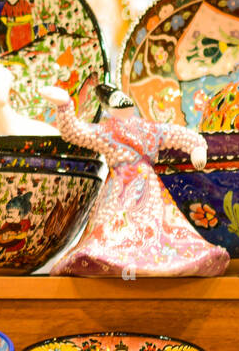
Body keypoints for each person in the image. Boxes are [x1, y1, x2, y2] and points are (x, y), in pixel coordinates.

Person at [42, 84, 229, 278]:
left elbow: (178, 134)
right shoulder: (106, 131)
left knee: (155, 223)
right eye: (115, 99)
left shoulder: (148, 128)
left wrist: (197, 147)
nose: (121, 102)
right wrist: (64, 106)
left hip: (146, 185)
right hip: (119, 187)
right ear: (108, 107)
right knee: (114, 225)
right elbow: (74, 131)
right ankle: (119, 260)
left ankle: (152, 258)